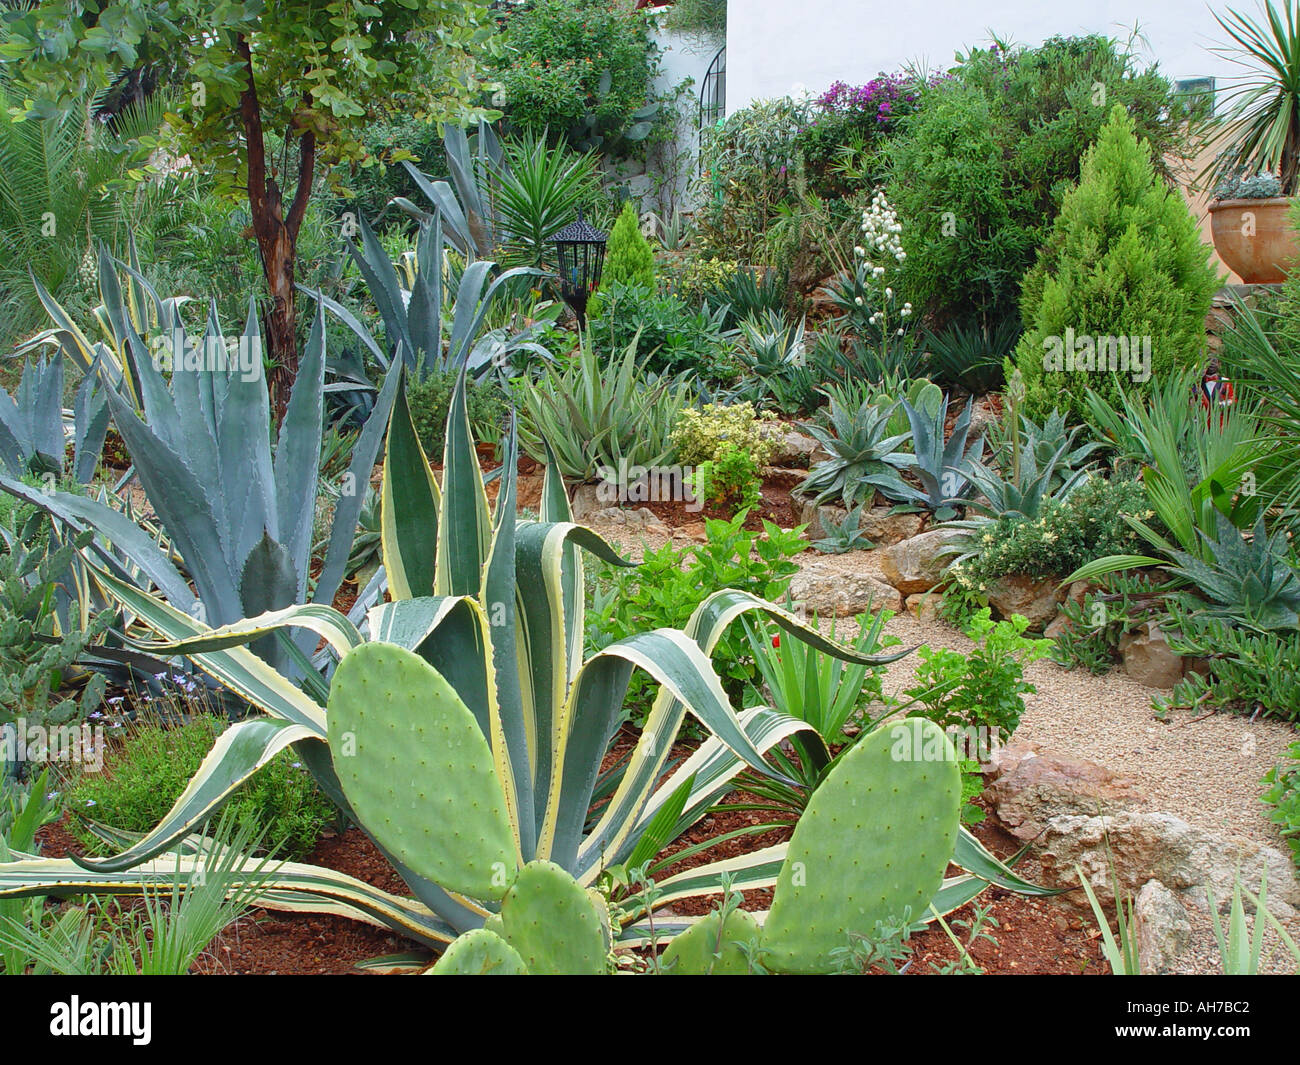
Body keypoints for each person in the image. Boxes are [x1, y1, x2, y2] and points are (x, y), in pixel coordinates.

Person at [1198, 358, 1235, 426]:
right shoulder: (1198, 383)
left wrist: (1223, 404)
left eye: (1214, 361)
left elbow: (1233, 400)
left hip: (1220, 423)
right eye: (1208, 361)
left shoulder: (1225, 382)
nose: (1211, 364)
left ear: (1219, 364)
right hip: (1202, 422)